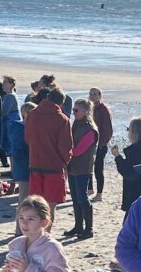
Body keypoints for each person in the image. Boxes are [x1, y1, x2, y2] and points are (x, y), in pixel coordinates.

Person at [24, 87, 72, 228]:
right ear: (61, 103)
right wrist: (65, 162)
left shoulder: (32, 114)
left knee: (35, 205)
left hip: (35, 163)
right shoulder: (62, 119)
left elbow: (27, 138)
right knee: (50, 206)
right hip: (54, 166)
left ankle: (35, 234)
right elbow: (66, 147)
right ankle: (45, 235)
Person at [65, 99, 99, 239]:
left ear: (86, 111)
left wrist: (65, 151)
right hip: (73, 166)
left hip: (83, 167)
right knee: (75, 197)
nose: (74, 113)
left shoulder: (90, 129)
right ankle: (78, 226)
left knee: (82, 198)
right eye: (73, 110)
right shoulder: (76, 124)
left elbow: (79, 150)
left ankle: (89, 228)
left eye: (76, 110)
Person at [113, 116, 141, 215]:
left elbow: (129, 173)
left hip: (136, 192)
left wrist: (117, 157)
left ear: (134, 132)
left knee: (131, 220)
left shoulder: (136, 150)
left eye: (129, 130)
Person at [11, 102, 34, 234]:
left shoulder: (29, 127)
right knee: (23, 200)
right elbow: (17, 151)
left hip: (29, 167)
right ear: (25, 114)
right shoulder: (19, 128)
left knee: (28, 200)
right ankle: (19, 230)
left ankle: (25, 229)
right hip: (24, 168)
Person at [88, 87, 113, 201]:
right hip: (89, 144)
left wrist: (102, 143)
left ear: (99, 96)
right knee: (88, 167)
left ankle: (99, 193)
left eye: (95, 94)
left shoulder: (103, 109)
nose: (92, 96)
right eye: (91, 94)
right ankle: (89, 189)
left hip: (100, 144)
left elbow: (108, 130)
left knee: (98, 168)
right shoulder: (88, 107)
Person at [0, 75, 20, 170]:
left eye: (5, 82)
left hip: (10, 123)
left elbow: (4, 112)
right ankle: (13, 169)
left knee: (11, 145)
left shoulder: (10, 96)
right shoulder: (10, 95)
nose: (3, 84)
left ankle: (14, 169)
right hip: (11, 123)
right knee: (11, 146)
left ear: (11, 84)